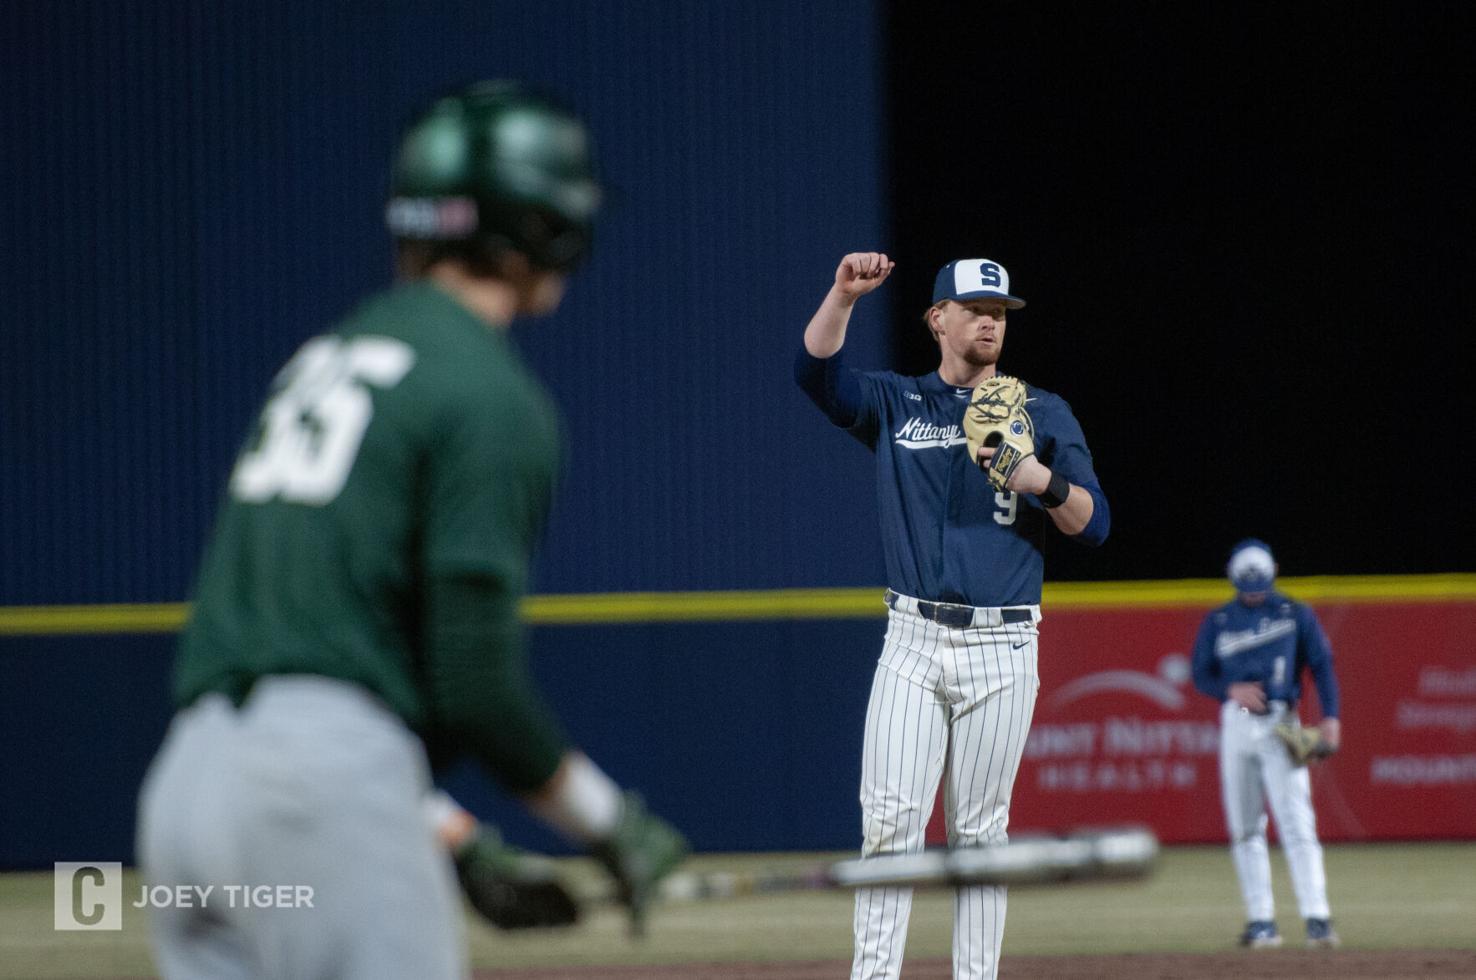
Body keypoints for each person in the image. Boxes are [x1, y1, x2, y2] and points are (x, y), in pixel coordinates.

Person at [136, 81, 687, 979]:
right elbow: (470, 681)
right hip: (320, 797)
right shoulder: (485, 391)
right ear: (538, 229)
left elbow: (296, 661)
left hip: (190, 791)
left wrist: (453, 837)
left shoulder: (322, 359)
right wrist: (605, 820)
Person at [793, 253, 1110, 980]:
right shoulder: (898, 404)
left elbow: (1094, 526)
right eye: (974, 308)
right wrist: (842, 295)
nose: (990, 321)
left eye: (999, 312)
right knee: (890, 827)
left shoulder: (1042, 411)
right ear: (938, 319)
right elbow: (815, 376)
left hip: (1003, 644)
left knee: (979, 835)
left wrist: (1042, 480)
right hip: (909, 638)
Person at [1191, 538, 1342, 949]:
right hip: (1237, 724)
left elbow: (1322, 664)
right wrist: (1230, 689)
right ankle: (1262, 922)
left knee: (1296, 823)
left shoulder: (1294, 613)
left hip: (1281, 720)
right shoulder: (1220, 620)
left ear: (1272, 573)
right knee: (1245, 826)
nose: (1254, 592)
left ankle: (1317, 917)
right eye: (1248, 584)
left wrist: (1330, 716)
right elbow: (1200, 673)